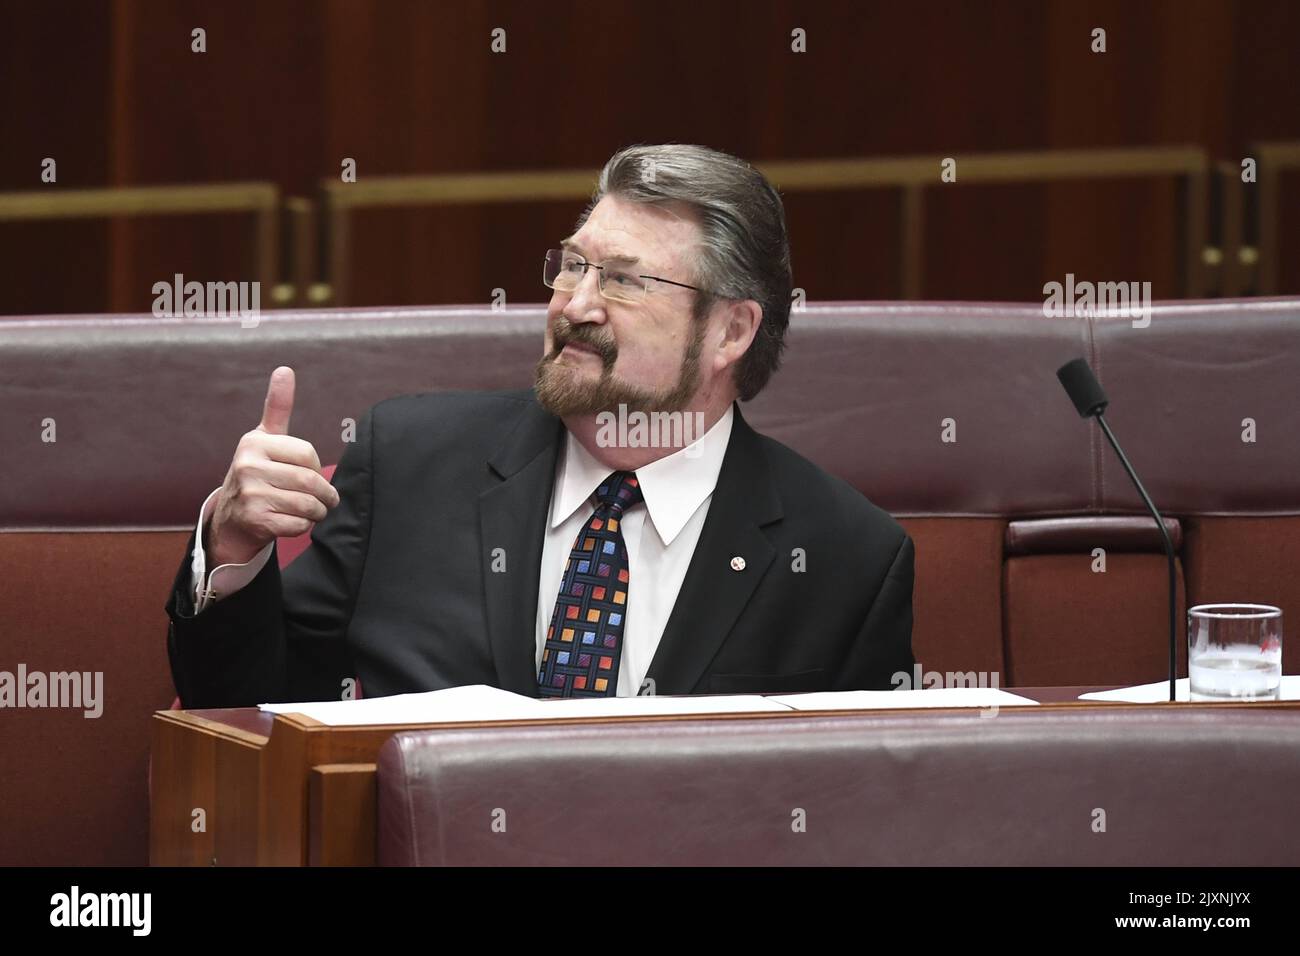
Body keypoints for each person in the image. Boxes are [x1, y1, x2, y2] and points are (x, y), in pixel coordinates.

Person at [164, 143, 914, 707]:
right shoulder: (408, 464)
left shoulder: (845, 556)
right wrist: (233, 551)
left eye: (623, 280)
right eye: (572, 266)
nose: (576, 305)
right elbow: (247, 713)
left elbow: (862, 811)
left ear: (730, 333)